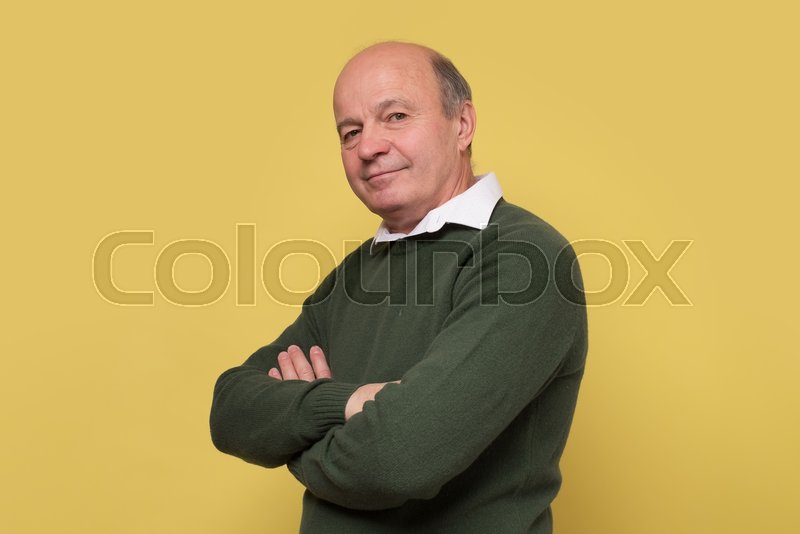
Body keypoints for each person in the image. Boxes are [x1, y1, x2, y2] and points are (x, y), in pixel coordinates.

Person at [210, 41, 588, 533]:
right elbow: (231, 410)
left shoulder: (526, 260)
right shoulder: (353, 274)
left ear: (463, 124)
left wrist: (295, 443)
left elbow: (398, 458)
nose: (368, 147)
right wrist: (348, 402)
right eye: (350, 132)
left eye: (395, 116)